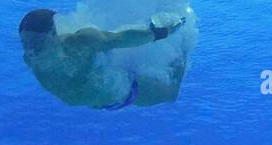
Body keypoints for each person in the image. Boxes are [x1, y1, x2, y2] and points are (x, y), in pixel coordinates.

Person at [18, 9, 187, 109]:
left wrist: (162, 33)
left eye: (38, 42)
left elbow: (122, 39)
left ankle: (185, 41)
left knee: (170, 94)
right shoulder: (30, 58)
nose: (31, 50)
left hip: (118, 90)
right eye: (25, 43)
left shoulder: (81, 42)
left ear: (53, 35)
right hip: (98, 100)